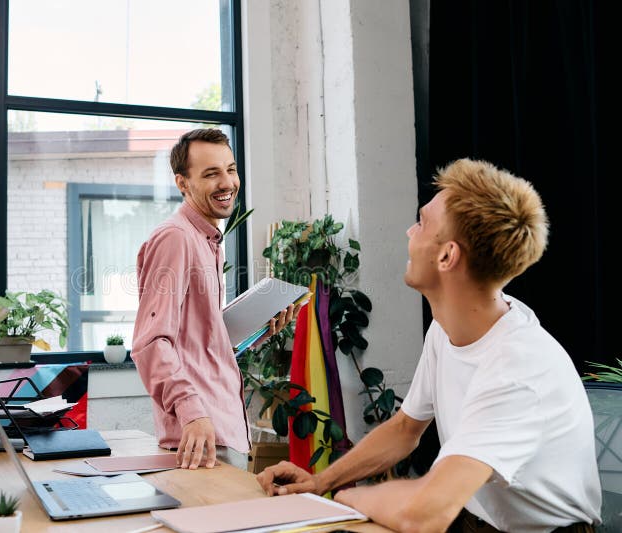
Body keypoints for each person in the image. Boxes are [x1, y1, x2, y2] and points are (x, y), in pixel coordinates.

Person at [256, 158, 601, 532]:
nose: (409, 232)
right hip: (477, 521)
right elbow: (406, 428)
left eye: (421, 223)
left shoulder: (517, 368)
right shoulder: (449, 327)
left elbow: (425, 514)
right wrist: (321, 482)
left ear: (447, 255)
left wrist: (349, 497)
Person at [132, 128, 297, 471]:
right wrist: (192, 412)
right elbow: (150, 342)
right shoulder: (176, 239)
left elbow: (198, 343)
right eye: (211, 174)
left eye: (230, 169)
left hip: (221, 431)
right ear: (183, 183)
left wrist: (259, 329)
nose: (227, 183)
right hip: (202, 435)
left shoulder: (206, 240)